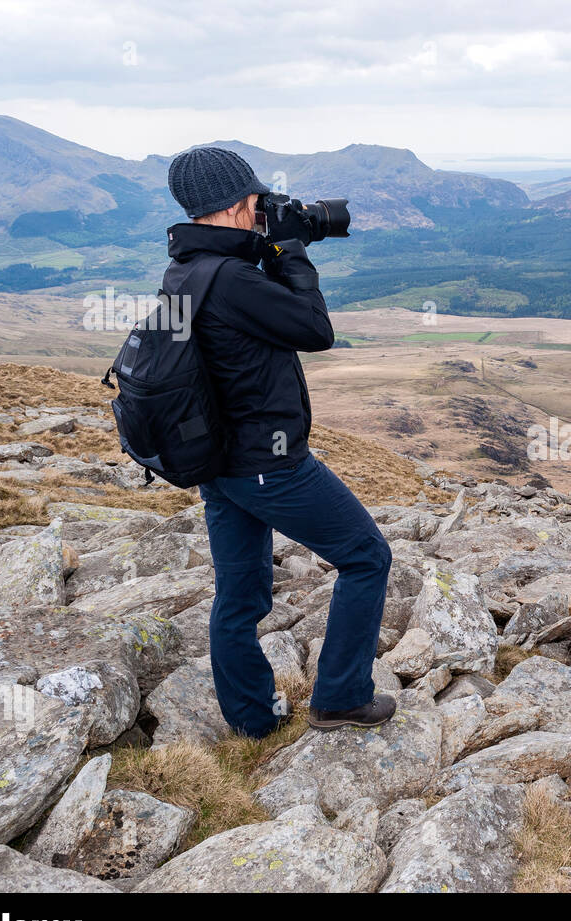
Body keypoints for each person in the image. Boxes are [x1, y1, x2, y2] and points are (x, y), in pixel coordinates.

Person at [164, 146, 394, 738]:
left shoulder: (187, 270)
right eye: (257, 201)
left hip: (219, 464)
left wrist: (267, 252)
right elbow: (315, 330)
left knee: (239, 597)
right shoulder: (232, 278)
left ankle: (252, 723)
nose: (263, 209)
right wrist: (289, 250)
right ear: (240, 203)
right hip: (269, 464)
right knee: (366, 557)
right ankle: (342, 697)